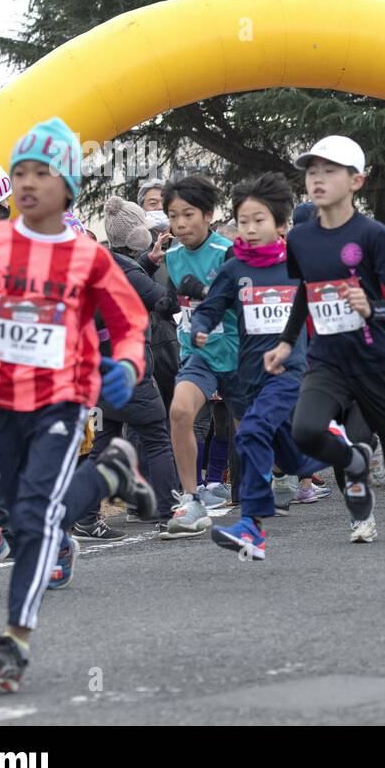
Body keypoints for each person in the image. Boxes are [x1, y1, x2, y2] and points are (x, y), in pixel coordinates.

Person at [0, 117, 156, 692]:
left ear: (67, 188)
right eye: (20, 172)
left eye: (43, 173)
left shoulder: (87, 257)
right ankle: (111, 473)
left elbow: (131, 319)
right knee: (36, 512)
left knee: (31, 515)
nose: (28, 183)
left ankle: (13, 646)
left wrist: (127, 364)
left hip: (62, 400)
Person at [265, 135, 385, 598]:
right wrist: (286, 342)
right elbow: (306, 291)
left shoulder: (373, 236)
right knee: (305, 431)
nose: (318, 179)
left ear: (356, 180)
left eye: (330, 170)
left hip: (376, 365)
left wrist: (372, 308)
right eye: (312, 171)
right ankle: (354, 458)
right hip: (327, 360)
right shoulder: (301, 237)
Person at [189, 173, 325, 558]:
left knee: (249, 434)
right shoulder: (234, 270)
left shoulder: (301, 266)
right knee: (289, 455)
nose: (249, 229)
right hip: (249, 375)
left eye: (258, 220)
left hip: (290, 371)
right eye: (242, 221)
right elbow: (212, 307)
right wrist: (200, 327)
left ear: (282, 225)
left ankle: (252, 526)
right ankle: (339, 450)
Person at [76, 195, 181, 539]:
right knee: (157, 438)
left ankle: (87, 516)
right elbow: (163, 304)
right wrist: (184, 287)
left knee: (102, 447)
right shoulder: (125, 271)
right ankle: (169, 512)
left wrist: (147, 264)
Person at [157, 174, 242, 537]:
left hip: (240, 355)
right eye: (173, 216)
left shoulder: (229, 252)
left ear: (208, 214)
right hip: (200, 355)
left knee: (253, 431)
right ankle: (191, 499)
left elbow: (243, 302)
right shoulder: (172, 257)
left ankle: (278, 478)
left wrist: (206, 292)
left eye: (188, 214)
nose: (179, 224)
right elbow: (176, 302)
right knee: (179, 411)